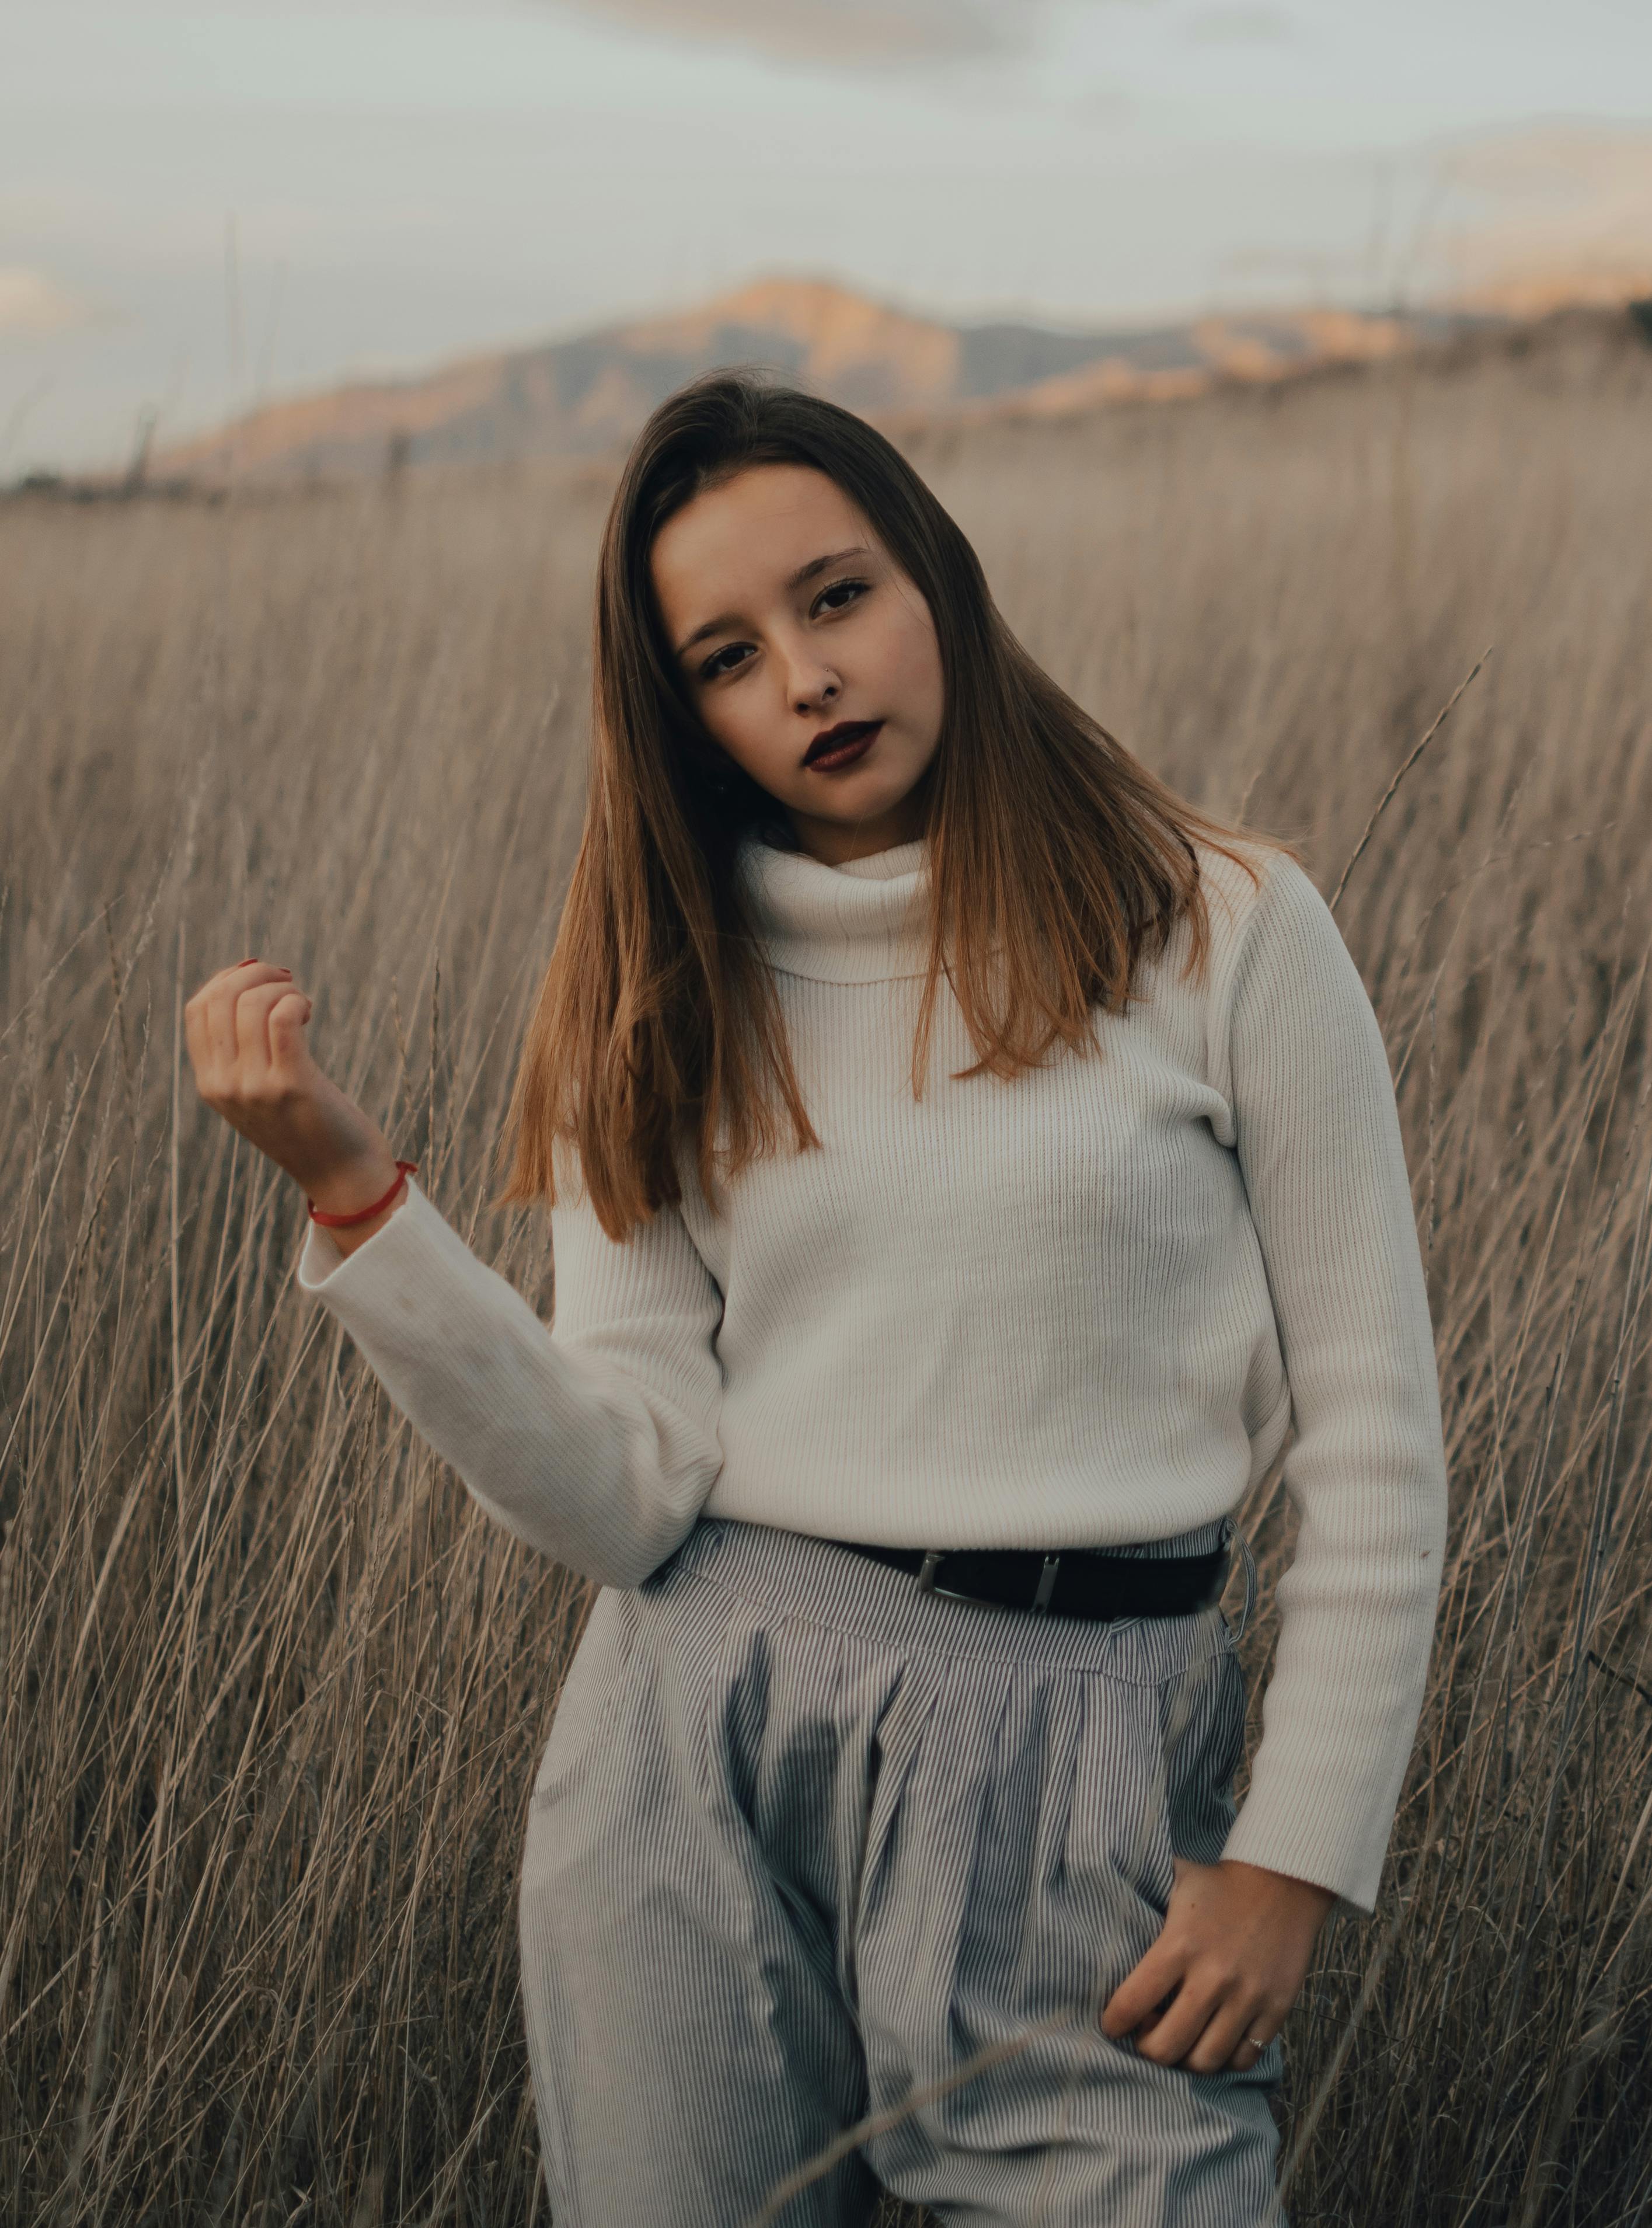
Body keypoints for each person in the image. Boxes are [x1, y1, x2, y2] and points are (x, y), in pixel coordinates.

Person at [184, 370, 1449, 2227]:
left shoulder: (1228, 927)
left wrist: (1295, 1863)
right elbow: (620, 1494)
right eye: (725, 654)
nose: (806, 677)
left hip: (1086, 1757)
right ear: (681, 712)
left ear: (937, 577)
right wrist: (360, 1204)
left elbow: (1379, 1438)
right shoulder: (659, 986)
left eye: (838, 597)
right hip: (699, 1748)